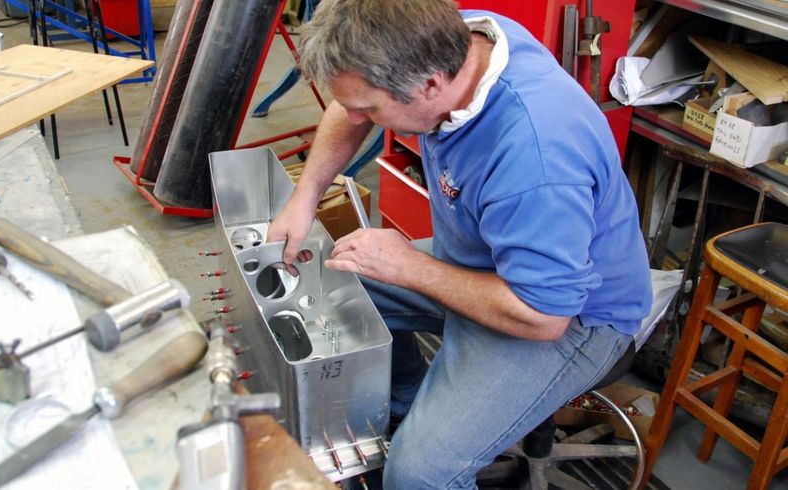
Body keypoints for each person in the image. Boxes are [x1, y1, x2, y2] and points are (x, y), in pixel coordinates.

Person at [266, 1, 653, 488]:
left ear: (430, 86)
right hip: (486, 263)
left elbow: (544, 316)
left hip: (568, 315)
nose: (356, 117)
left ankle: (427, 444)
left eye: (370, 109)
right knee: (337, 285)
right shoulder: (455, 37)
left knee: (418, 476)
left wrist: (409, 268)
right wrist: (305, 196)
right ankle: (406, 404)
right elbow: (353, 107)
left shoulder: (536, 155)